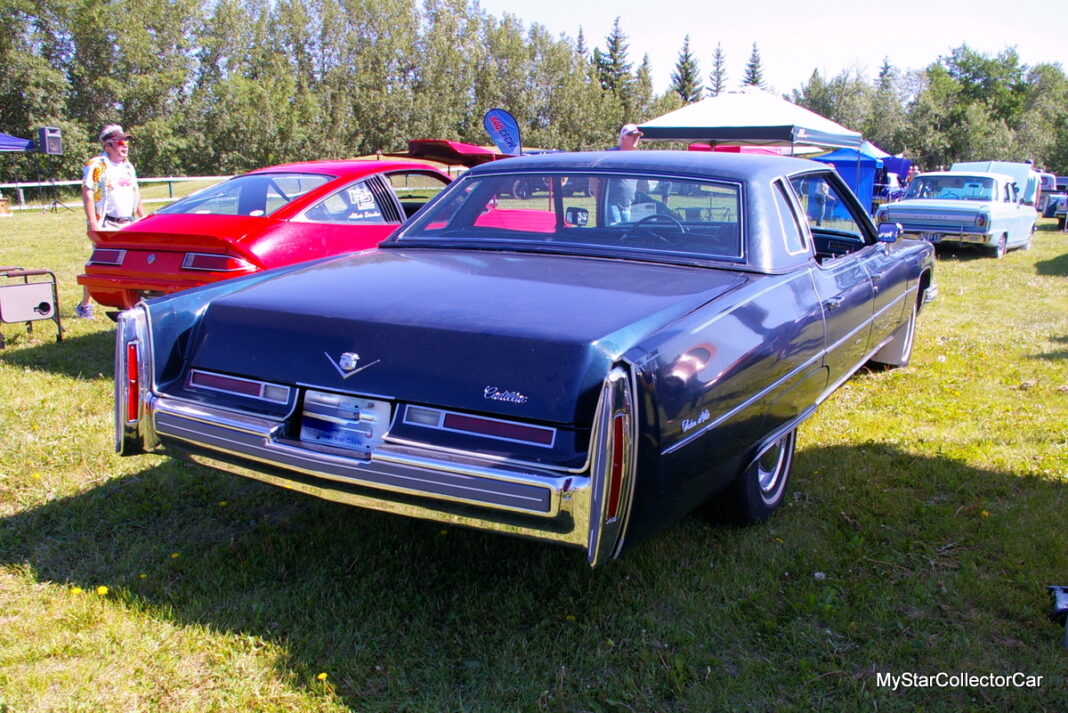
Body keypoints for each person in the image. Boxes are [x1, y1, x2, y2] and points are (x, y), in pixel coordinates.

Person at [77, 123, 145, 318]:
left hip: (129, 222)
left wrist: (144, 219)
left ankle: (130, 303)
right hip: (106, 222)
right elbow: (87, 193)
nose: (125, 146)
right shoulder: (96, 165)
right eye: (120, 142)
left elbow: (136, 194)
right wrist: (93, 223)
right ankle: (85, 305)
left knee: (132, 264)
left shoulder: (128, 167)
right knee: (102, 265)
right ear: (108, 145)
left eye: (127, 142)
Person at [605, 124, 642, 223]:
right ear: (623, 137)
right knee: (615, 234)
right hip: (612, 205)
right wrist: (599, 198)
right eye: (632, 135)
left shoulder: (638, 158)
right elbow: (593, 177)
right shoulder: (611, 155)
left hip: (628, 206)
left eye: (637, 136)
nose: (635, 138)